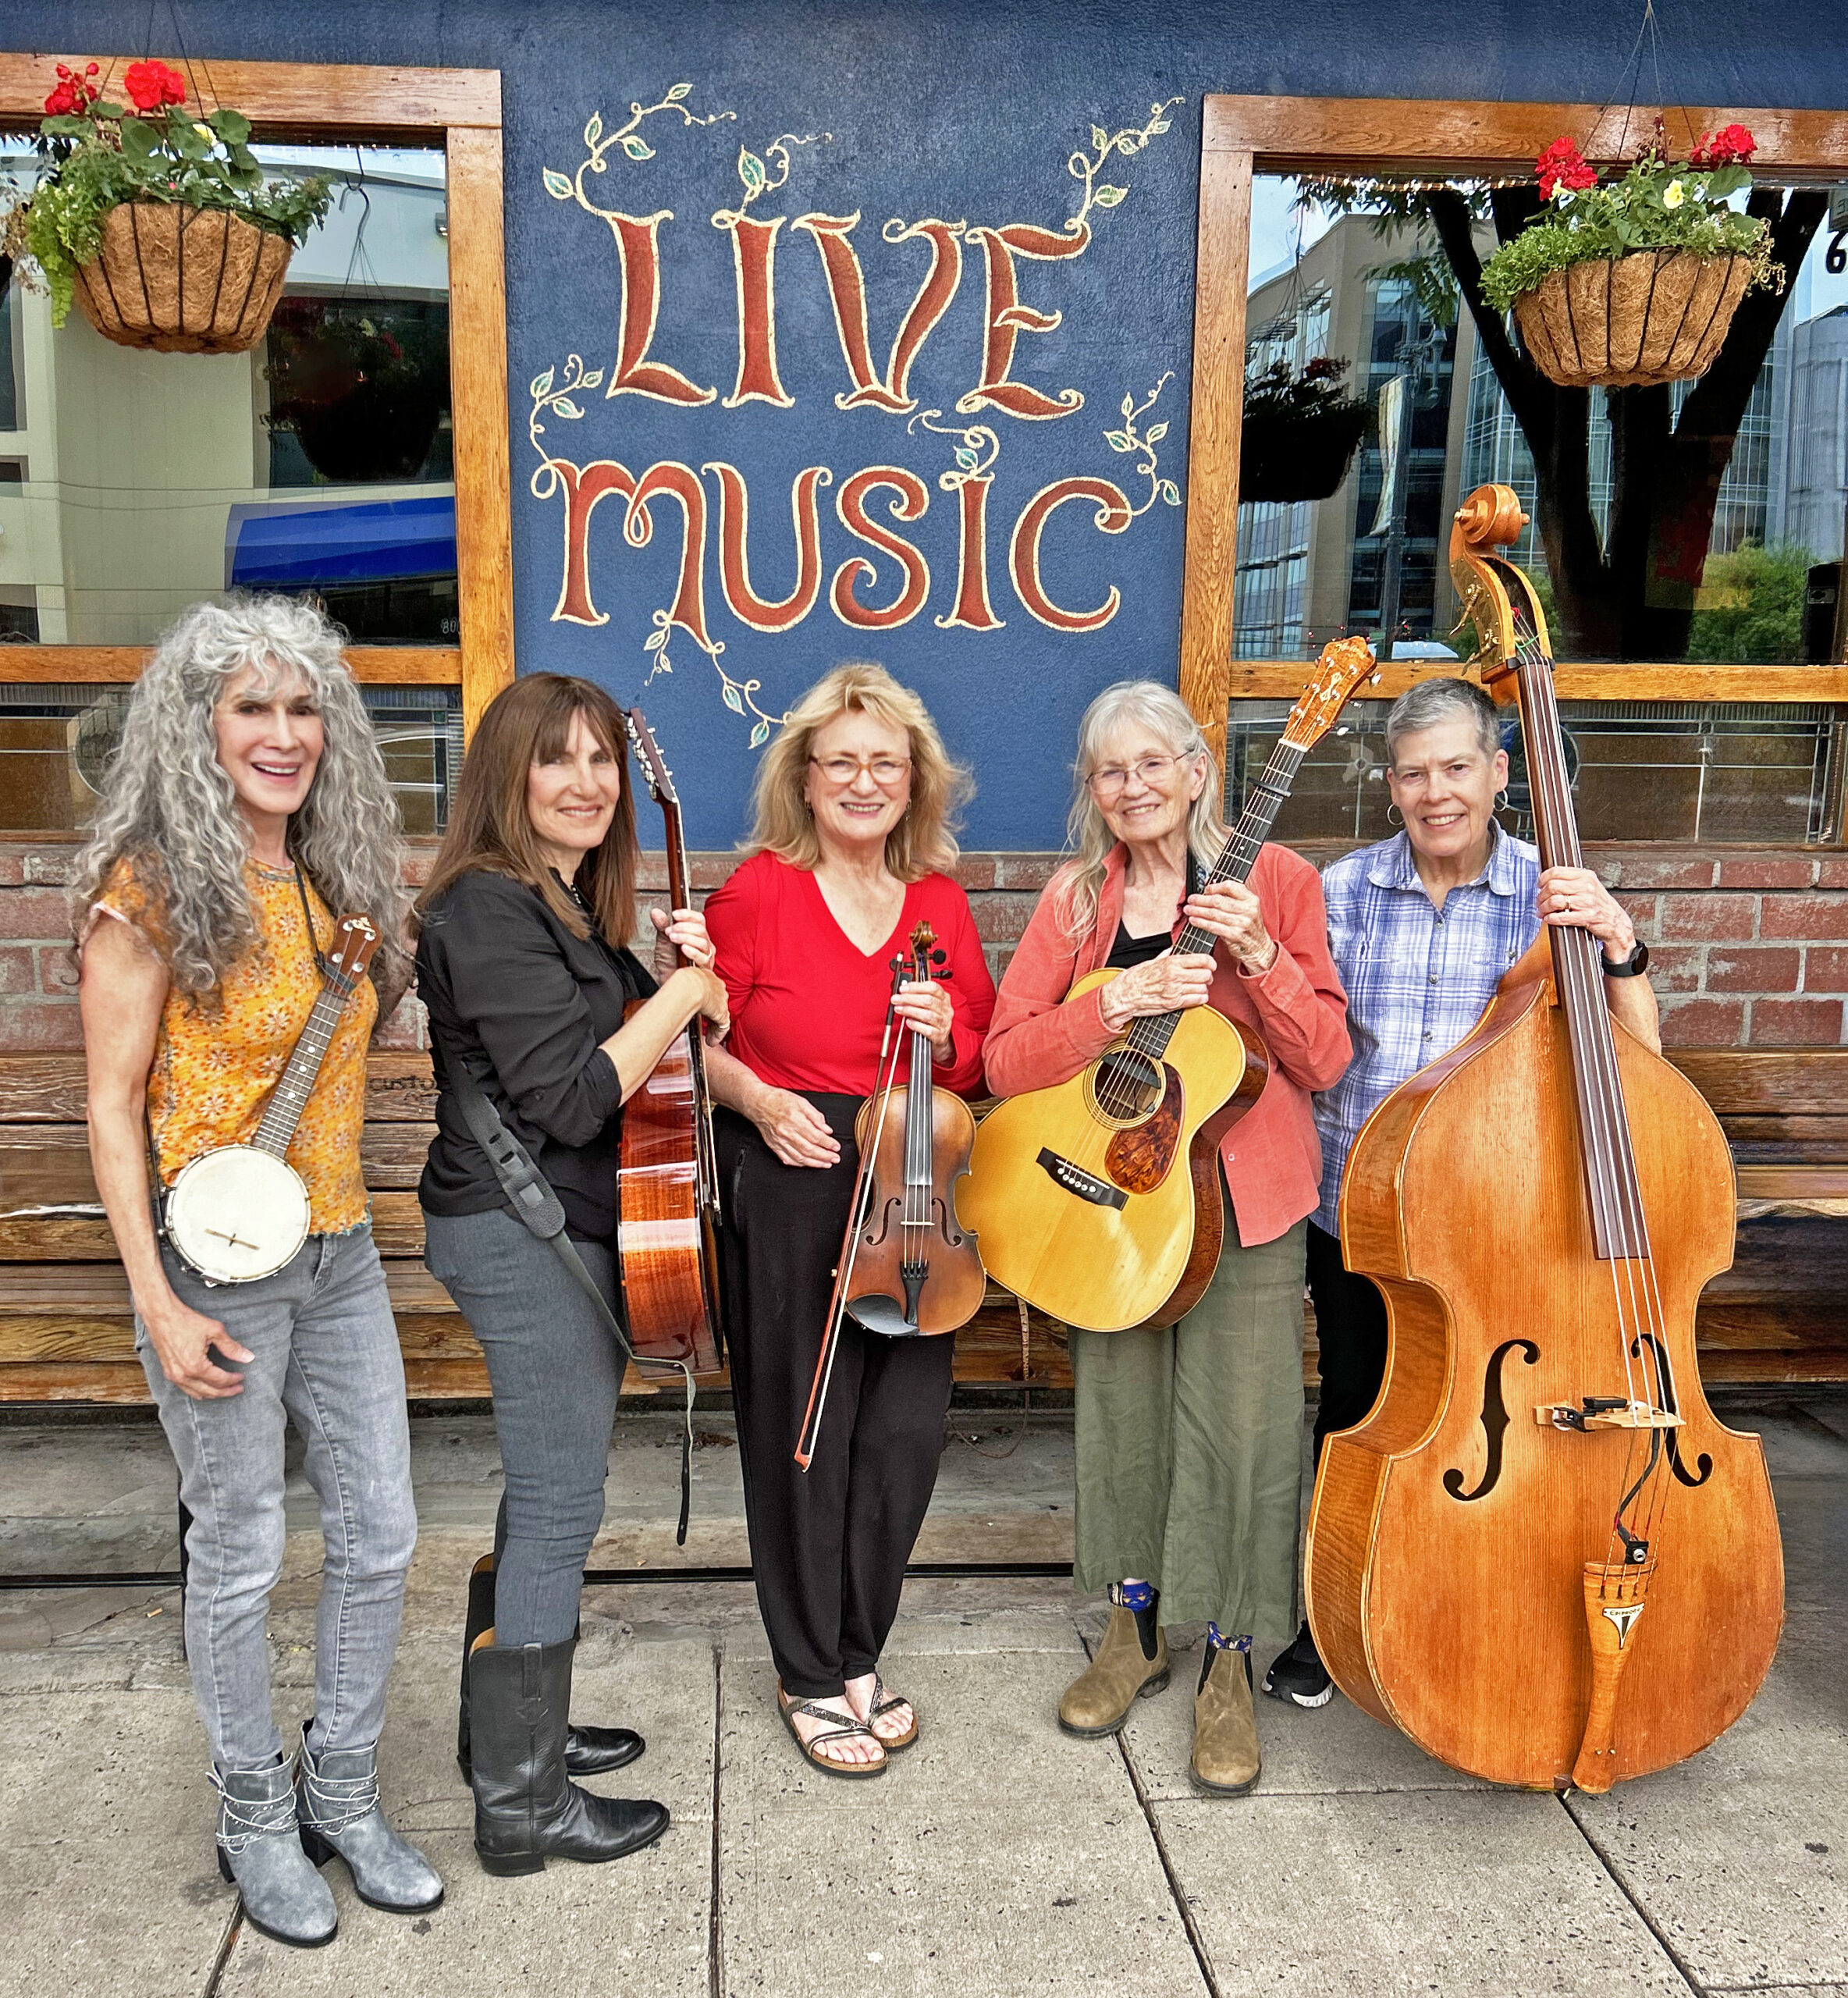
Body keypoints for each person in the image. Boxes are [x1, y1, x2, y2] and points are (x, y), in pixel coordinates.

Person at [75, 597, 441, 1949]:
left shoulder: (334, 882)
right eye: (251, 708)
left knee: (382, 1533)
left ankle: (341, 1790)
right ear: (197, 724)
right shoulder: (151, 893)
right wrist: (154, 1300)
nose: (281, 736)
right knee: (237, 1554)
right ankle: (251, 1815)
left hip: (339, 1256)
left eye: (304, 711)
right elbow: (111, 1108)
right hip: (213, 1269)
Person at [1264, 674, 1662, 1712]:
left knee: (1497, 1434)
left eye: (1455, 768)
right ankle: (1336, 1613)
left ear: (1497, 772)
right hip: (1364, 1214)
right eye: (1412, 774)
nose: (1435, 793)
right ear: (1388, 785)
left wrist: (1619, 943)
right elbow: (1306, 1049)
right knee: (1359, 1415)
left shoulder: (1555, 893)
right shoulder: (1341, 890)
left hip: (1503, 1228)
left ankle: (1478, 1601)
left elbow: (1641, 1070)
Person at [983, 679, 1350, 1796]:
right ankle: (1132, 1627)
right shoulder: (1077, 900)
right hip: (1109, 1199)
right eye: (1110, 768)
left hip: (1239, 1201)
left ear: (1199, 770)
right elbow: (1001, 1061)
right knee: (1122, 1416)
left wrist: (1262, 961)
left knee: (1246, 1430)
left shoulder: (1276, 881)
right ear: (1090, 790)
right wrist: (1111, 1001)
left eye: (1155, 762)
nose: (1133, 784)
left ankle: (1232, 1656)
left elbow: (1326, 1057)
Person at [415, 673, 729, 1875]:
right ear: (510, 774)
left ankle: (509, 1738)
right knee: (559, 1502)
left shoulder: (557, 905)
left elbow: (645, 1055)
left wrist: (666, 970)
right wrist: (685, 994)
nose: (590, 783)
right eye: (560, 761)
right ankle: (522, 1808)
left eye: (603, 761)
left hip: (551, 1224)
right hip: (517, 1230)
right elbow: (570, 1092)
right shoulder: (486, 909)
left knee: (541, 1490)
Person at [699, 663, 995, 1778]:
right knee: (800, 1430)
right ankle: (809, 1669)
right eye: (843, 763)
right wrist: (764, 1103)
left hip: (913, 1175)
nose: (864, 781)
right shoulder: (758, 895)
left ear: (914, 781)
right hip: (797, 1169)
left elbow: (975, 1051)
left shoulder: (942, 906)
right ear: (807, 780)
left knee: (901, 1436)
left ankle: (861, 1644)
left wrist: (946, 1027)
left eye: (887, 762)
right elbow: (696, 1042)